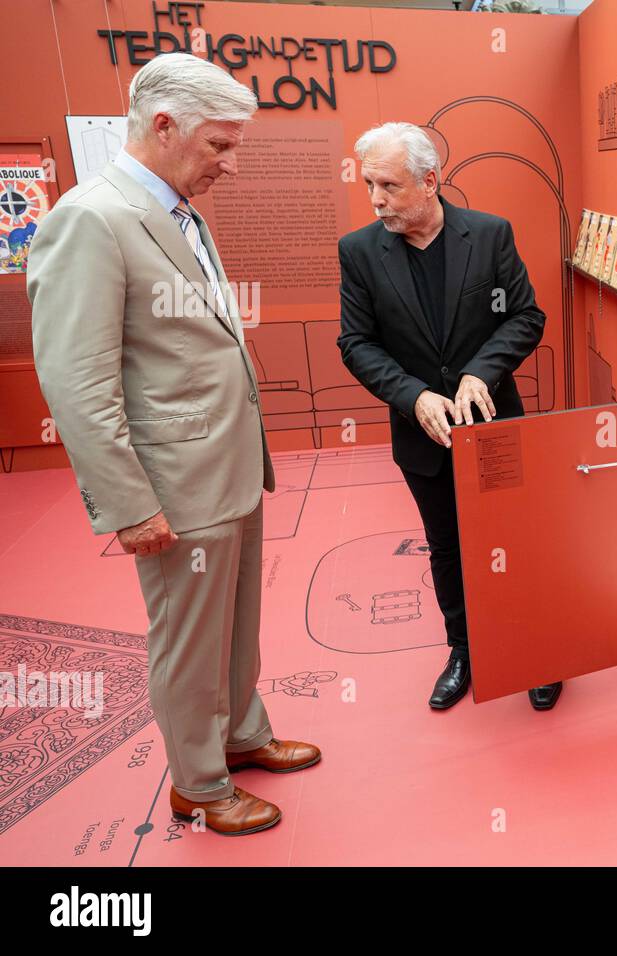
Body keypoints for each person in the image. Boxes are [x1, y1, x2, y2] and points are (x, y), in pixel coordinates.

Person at [26, 53, 321, 837]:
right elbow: (78, 384)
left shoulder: (174, 210)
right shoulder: (90, 218)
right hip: (174, 485)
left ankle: (242, 734)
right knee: (189, 640)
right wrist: (128, 505)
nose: (231, 162)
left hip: (223, 469)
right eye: (220, 145)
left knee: (235, 623)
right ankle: (199, 783)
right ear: (164, 126)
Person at [336, 122, 561, 711]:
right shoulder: (358, 252)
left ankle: (536, 648)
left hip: (494, 427)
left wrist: (477, 373)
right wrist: (413, 396)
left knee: (518, 541)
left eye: (388, 184)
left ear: (430, 181)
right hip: (422, 435)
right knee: (447, 546)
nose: (375, 199)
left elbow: (525, 318)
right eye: (369, 184)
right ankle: (463, 650)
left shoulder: (489, 236)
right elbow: (357, 344)